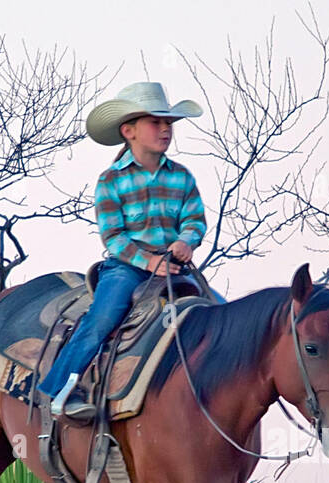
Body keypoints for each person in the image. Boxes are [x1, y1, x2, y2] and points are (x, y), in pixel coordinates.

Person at [36, 82, 208, 416]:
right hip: (127, 267)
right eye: (155, 122)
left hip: (175, 266)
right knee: (103, 317)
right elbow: (113, 237)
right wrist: (149, 262)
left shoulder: (182, 177)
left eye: (168, 123)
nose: (164, 129)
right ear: (129, 130)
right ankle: (60, 389)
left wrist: (186, 240)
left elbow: (195, 219)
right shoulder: (110, 181)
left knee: (220, 311)